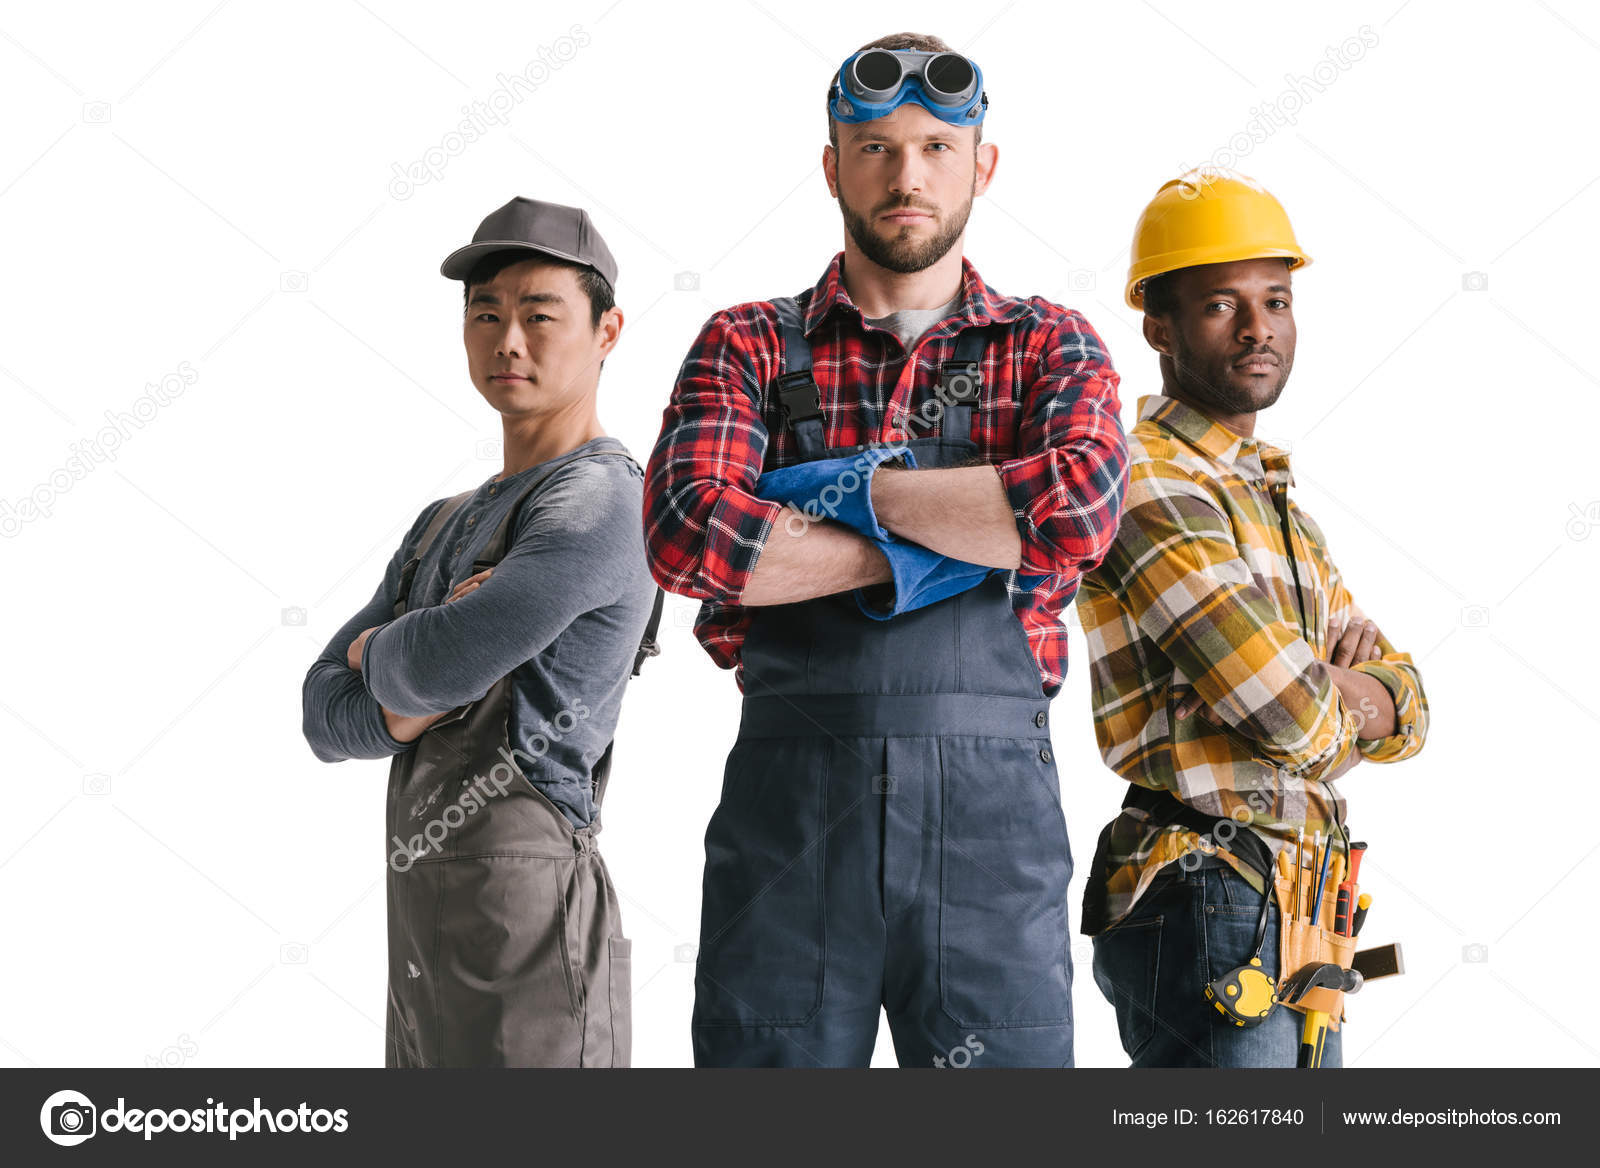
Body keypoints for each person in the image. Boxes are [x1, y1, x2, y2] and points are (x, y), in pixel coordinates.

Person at [643, 33, 1128, 1067]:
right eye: (874, 149)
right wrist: (947, 546)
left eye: (935, 148)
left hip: (990, 842)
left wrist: (826, 497)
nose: (906, 176)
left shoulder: (1049, 342)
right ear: (832, 167)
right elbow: (687, 535)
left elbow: (1079, 512)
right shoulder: (748, 341)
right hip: (789, 831)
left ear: (981, 165)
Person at [1077, 170, 1430, 1067]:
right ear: (1158, 327)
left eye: (1275, 300)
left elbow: (1413, 708)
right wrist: (1347, 697)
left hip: (1301, 908)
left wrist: (1360, 694)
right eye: (1220, 304)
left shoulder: (1274, 501)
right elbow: (1295, 717)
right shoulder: (1144, 479)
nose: (1257, 327)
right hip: (1211, 891)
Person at [300, 196, 661, 1067]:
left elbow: (430, 667)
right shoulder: (444, 520)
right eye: (486, 315)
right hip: (422, 942)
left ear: (607, 332)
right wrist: (416, 663)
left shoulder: (603, 500)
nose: (508, 342)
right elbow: (322, 715)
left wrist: (387, 652)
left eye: (540, 316)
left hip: (531, 933)